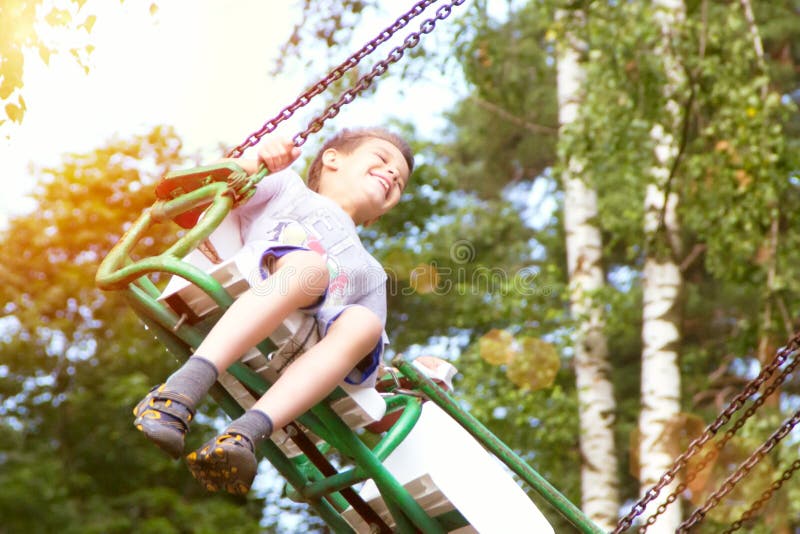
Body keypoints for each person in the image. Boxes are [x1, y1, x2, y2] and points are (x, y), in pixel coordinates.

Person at [133, 127, 413, 495]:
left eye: (400, 181)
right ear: (332, 159)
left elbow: (364, 370)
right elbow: (184, 195)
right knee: (310, 269)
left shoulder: (371, 272)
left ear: (377, 217)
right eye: (382, 159)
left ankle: (245, 435)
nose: (392, 173)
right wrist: (258, 161)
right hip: (258, 284)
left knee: (366, 324)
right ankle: (180, 391)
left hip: (302, 345)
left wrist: (405, 381)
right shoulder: (286, 186)